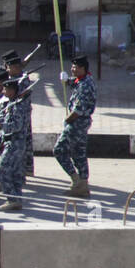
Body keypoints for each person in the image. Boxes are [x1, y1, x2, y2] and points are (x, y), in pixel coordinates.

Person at [54, 55, 96, 198]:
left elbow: (78, 110)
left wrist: (67, 119)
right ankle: (83, 185)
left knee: (59, 150)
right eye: (72, 67)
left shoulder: (85, 85)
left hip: (77, 123)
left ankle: (76, 180)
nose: (72, 69)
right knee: (79, 153)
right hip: (82, 123)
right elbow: (74, 83)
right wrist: (66, 81)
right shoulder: (83, 80)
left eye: (75, 67)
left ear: (83, 68)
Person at [0, 78, 29, 212]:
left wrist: (1, 125)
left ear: (12, 90)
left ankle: (12, 199)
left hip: (15, 143)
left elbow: (17, 126)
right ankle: (16, 199)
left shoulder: (18, 106)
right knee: (15, 173)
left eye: (5, 89)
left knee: (2, 171)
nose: (3, 91)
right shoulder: (10, 104)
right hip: (11, 141)